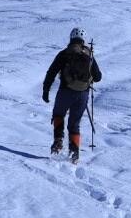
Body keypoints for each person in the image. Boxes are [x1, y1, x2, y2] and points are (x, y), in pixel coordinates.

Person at [42, 28, 102, 162]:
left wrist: (46, 91)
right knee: (74, 124)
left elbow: (51, 72)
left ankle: (58, 142)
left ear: (71, 38)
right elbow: (98, 77)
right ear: (83, 40)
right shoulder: (89, 54)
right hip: (82, 95)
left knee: (58, 114)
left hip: (65, 91)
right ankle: (74, 154)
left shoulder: (64, 54)